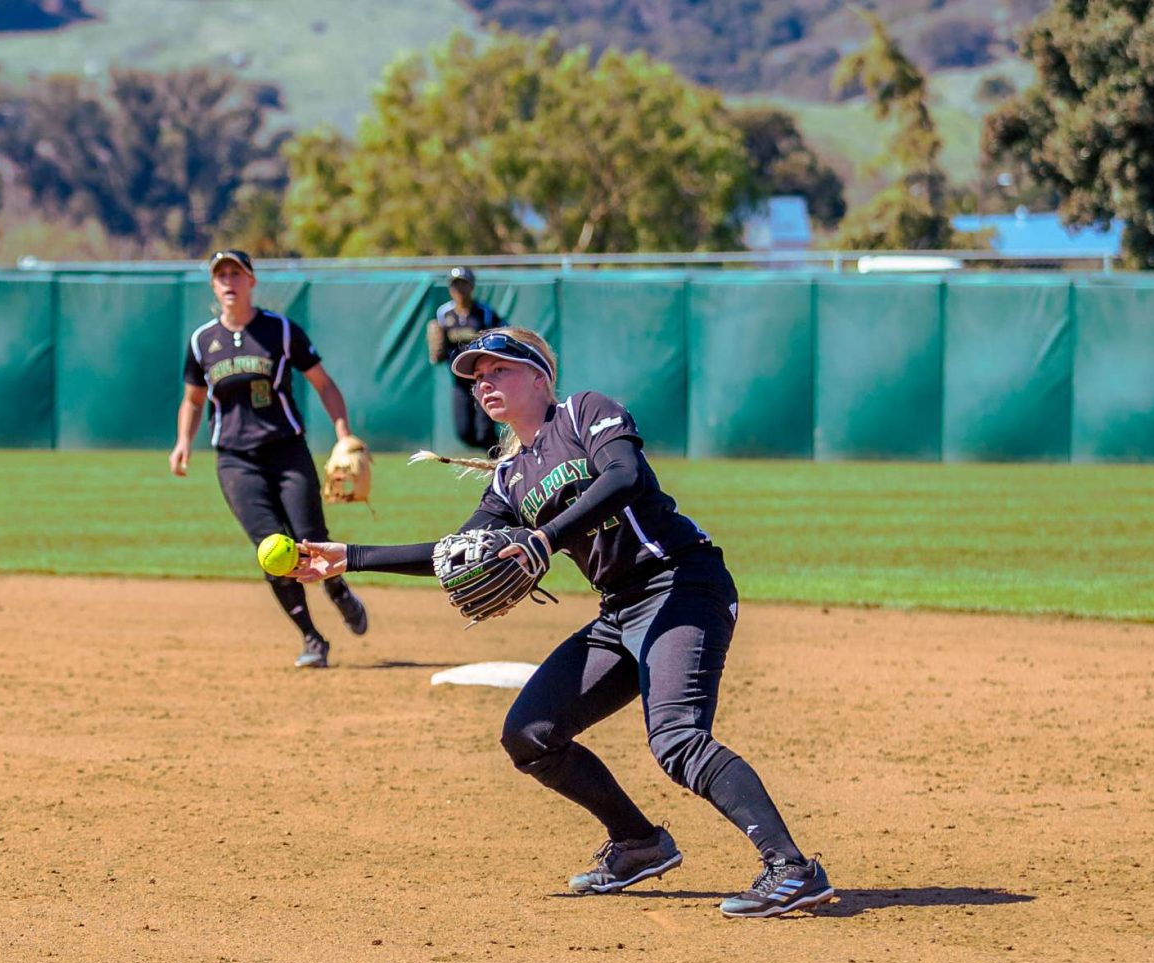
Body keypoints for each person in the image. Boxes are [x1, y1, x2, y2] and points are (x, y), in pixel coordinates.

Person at [287, 326, 836, 917]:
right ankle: (638, 843)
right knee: (530, 735)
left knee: (676, 738)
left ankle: (791, 868)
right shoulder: (509, 478)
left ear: (540, 377)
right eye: (476, 377)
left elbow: (623, 478)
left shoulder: (584, 414)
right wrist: (352, 556)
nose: (484, 384)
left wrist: (544, 538)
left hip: (682, 584)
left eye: (499, 370)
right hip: (620, 609)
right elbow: (457, 551)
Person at [169, 249, 369, 669]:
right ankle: (313, 638)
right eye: (220, 274)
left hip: (287, 450)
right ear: (213, 285)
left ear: (251, 281)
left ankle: (337, 591)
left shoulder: (279, 331)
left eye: (235, 273)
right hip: (235, 460)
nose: (228, 281)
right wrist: (182, 441)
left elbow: (323, 383)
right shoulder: (202, 340)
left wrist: (343, 432)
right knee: (273, 549)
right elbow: (192, 400)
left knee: (311, 537)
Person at [426, 266, 505, 451]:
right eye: (455, 286)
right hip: (459, 382)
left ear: (471, 286)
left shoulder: (484, 313)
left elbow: (503, 334)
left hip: (482, 380)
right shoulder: (444, 313)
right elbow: (440, 347)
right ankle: (503, 452)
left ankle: (501, 463)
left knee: (484, 431)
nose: (459, 290)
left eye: (463, 284)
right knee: (464, 432)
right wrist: (438, 348)